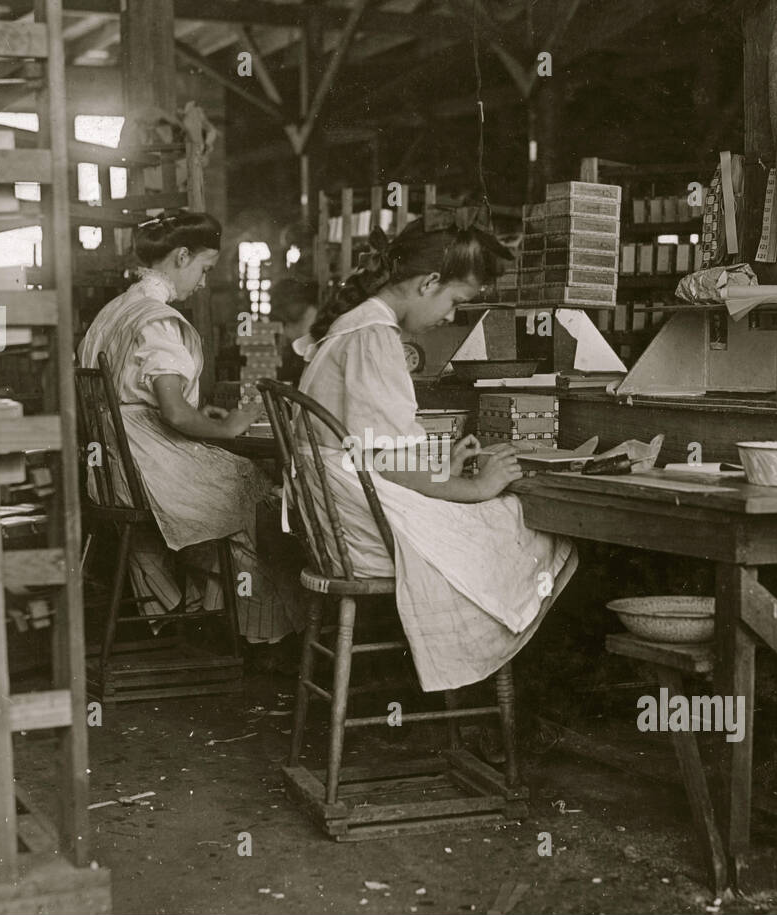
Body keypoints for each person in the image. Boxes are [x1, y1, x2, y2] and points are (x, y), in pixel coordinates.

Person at [294, 219, 577, 692]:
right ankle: (497, 690)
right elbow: (385, 462)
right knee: (526, 521)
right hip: (361, 530)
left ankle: (486, 689)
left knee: (498, 521)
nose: (450, 317)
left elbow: (371, 451)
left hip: (336, 518)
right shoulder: (376, 337)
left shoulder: (349, 327)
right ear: (428, 283)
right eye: (455, 302)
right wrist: (474, 486)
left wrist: (441, 468)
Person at [78, 211, 302, 645]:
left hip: (111, 469)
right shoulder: (157, 321)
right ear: (181, 256)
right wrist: (232, 425)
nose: (202, 283)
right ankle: (249, 634)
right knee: (256, 492)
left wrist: (202, 419)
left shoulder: (112, 312)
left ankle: (187, 613)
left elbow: (147, 401)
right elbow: (176, 415)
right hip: (146, 467)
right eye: (204, 269)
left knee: (228, 493)